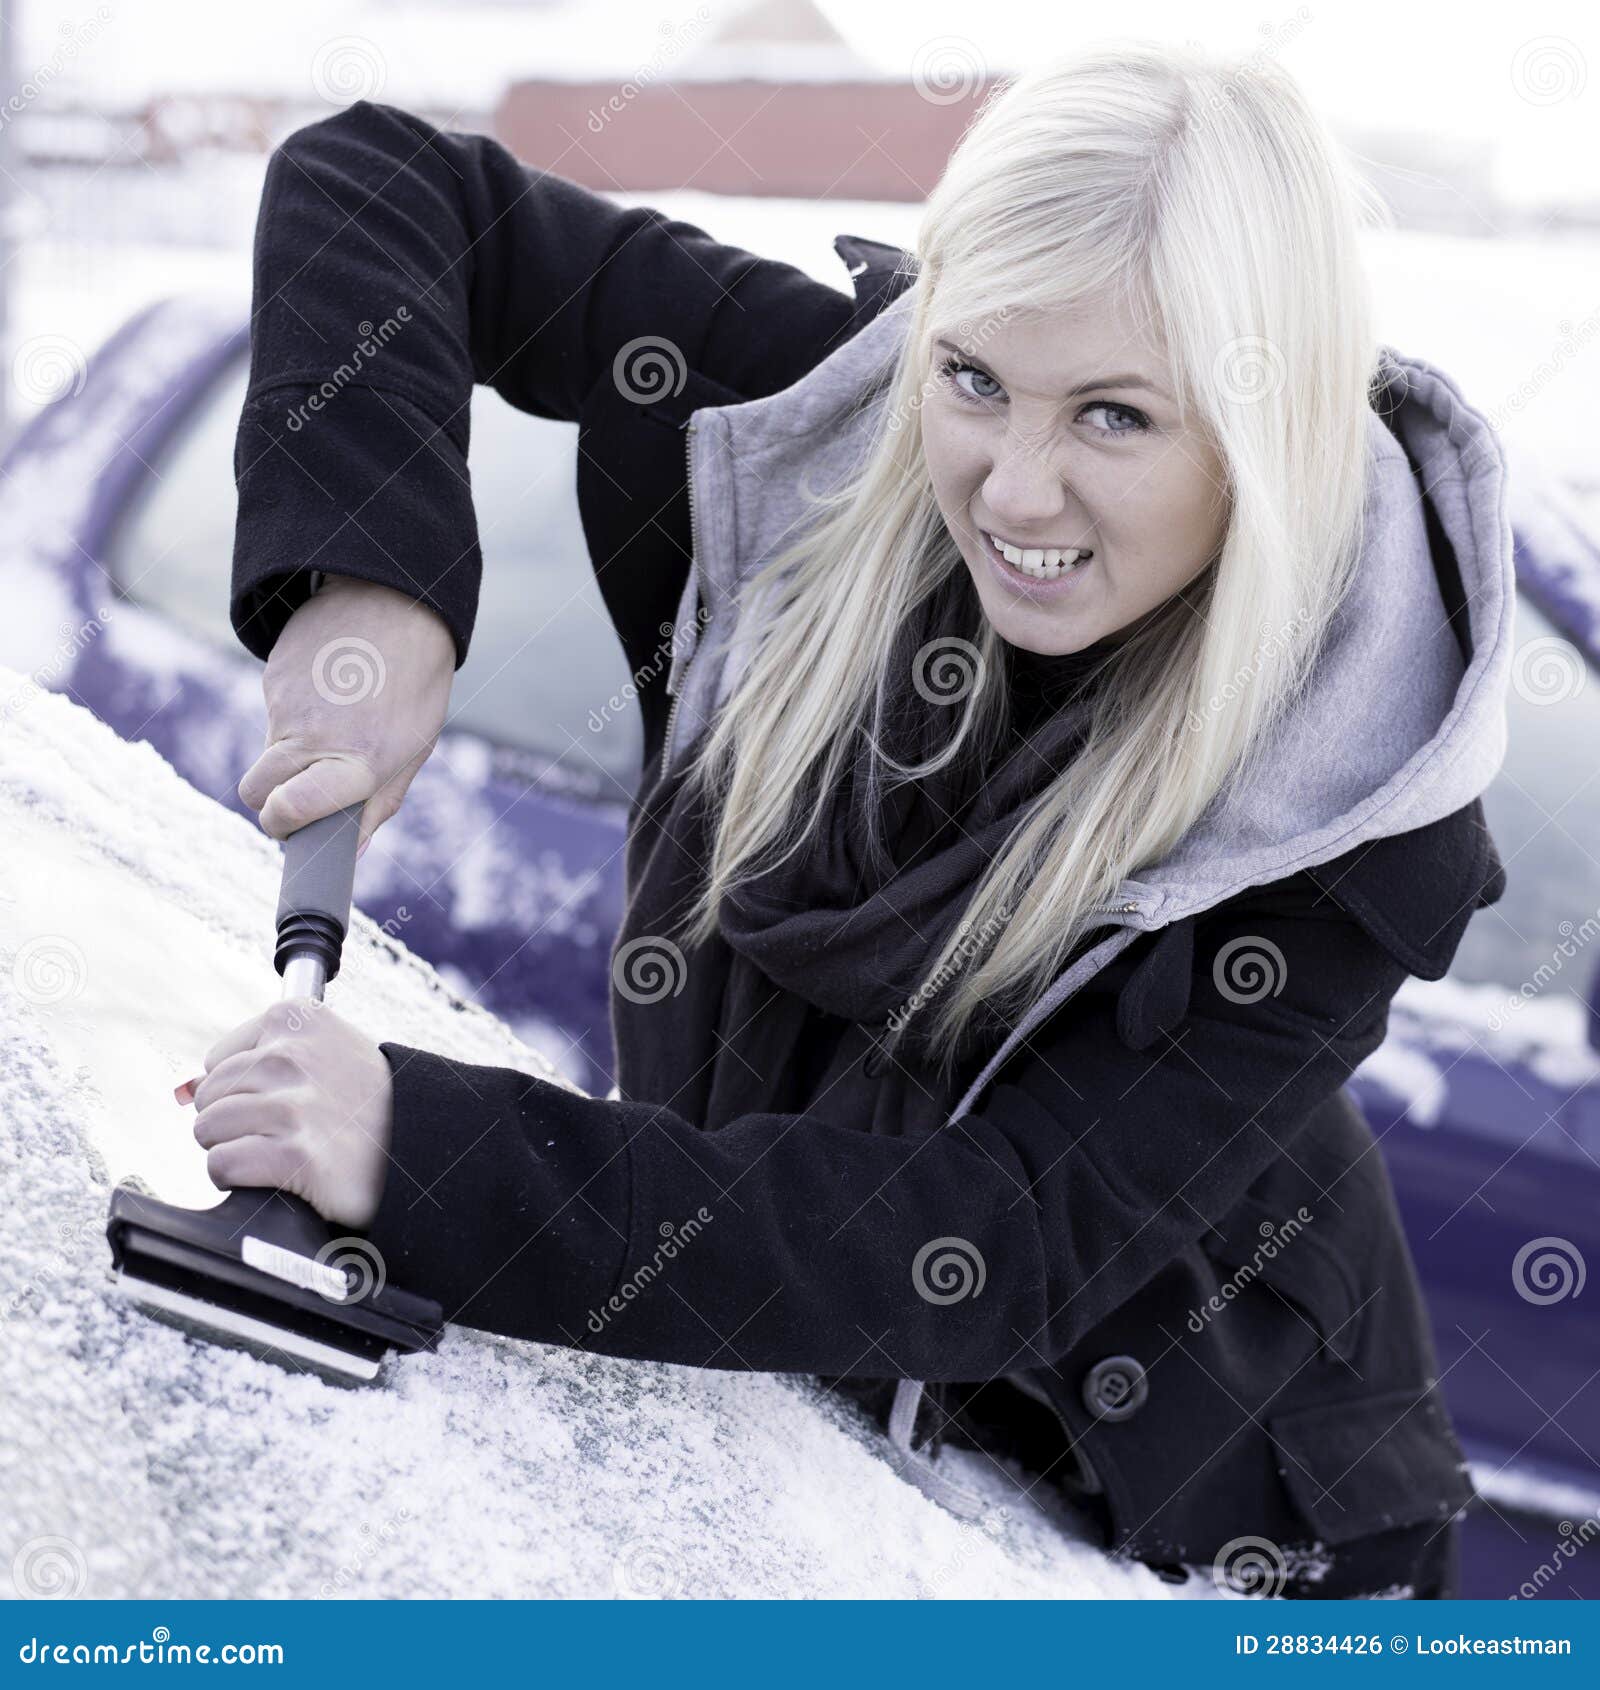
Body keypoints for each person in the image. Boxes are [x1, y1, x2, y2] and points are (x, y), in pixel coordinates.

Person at [202, 40, 1512, 1598]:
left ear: (1265, 426)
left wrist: (425, 1154)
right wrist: (374, 579)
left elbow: (991, 1239)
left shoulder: (1359, 815)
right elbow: (380, 180)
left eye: (1113, 417)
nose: (1013, 491)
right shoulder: (811, 413)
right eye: (976, 380)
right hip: (799, 1416)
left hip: (1211, 1536)